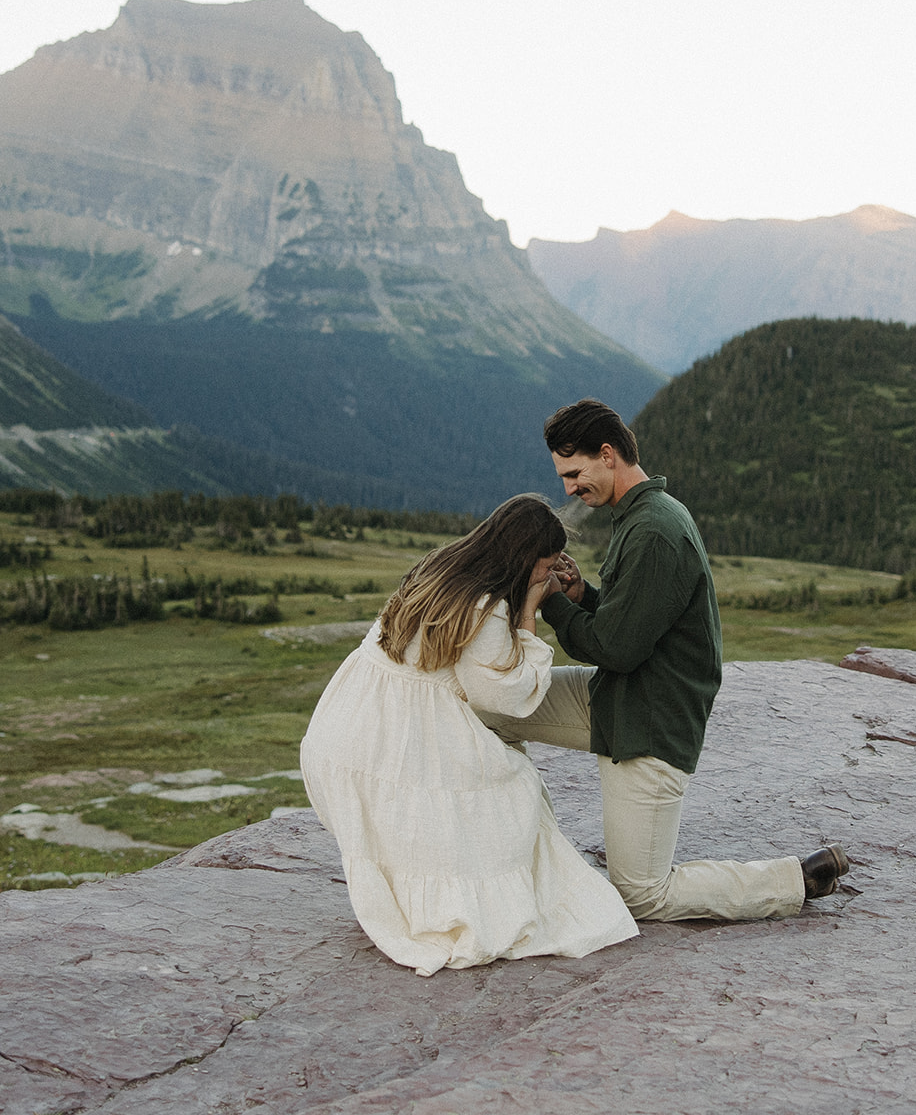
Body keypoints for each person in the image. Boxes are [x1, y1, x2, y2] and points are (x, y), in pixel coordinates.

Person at [473, 399, 849, 924]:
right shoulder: (643, 517)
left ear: (608, 455)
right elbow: (637, 623)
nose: (568, 489)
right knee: (489, 707)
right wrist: (585, 597)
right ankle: (518, 856)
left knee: (643, 895)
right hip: (617, 699)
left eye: (575, 473)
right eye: (562, 476)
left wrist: (550, 600)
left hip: (648, 722)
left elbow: (619, 649)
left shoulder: (653, 530)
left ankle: (797, 879)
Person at [300, 493, 639, 977]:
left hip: (354, 723)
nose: (547, 575)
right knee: (513, 789)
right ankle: (465, 903)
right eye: (544, 567)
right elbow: (508, 694)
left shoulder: (443, 566)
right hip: (401, 729)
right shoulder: (487, 607)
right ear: (523, 563)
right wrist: (528, 612)